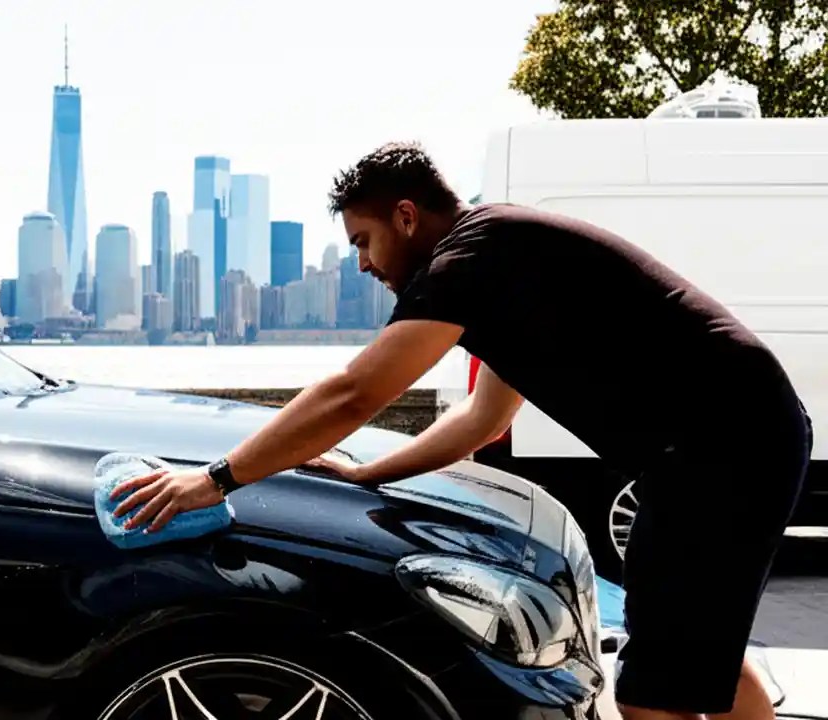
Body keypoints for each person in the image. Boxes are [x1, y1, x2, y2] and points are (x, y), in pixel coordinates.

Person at [110, 141, 812, 720]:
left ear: (407, 216)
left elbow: (355, 393)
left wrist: (213, 479)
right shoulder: (504, 263)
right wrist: (367, 475)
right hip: (733, 440)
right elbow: (483, 418)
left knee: (650, 698)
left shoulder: (470, 262)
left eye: (364, 240)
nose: (361, 263)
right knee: (699, 664)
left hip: (718, 453)